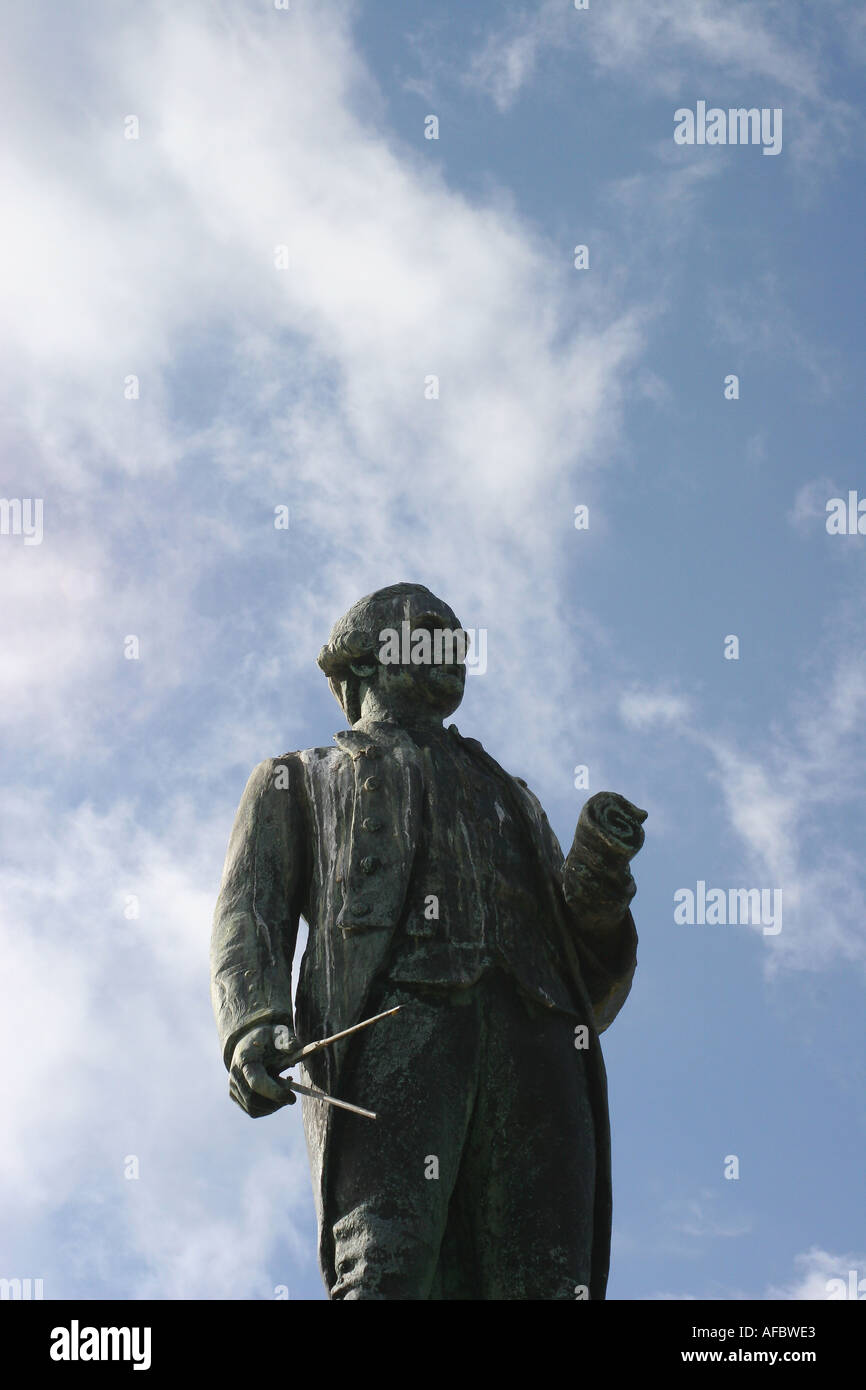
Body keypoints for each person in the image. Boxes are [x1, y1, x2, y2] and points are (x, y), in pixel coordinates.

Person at [211, 582, 645, 1299]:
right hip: (393, 1027)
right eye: (432, 632)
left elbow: (574, 941)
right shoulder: (298, 780)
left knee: (548, 1275)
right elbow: (246, 910)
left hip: (537, 1038)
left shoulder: (514, 795)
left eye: (460, 643)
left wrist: (599, 869)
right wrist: (252, 1025)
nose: (455, 651)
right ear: (364, 657)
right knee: (386, 1261)